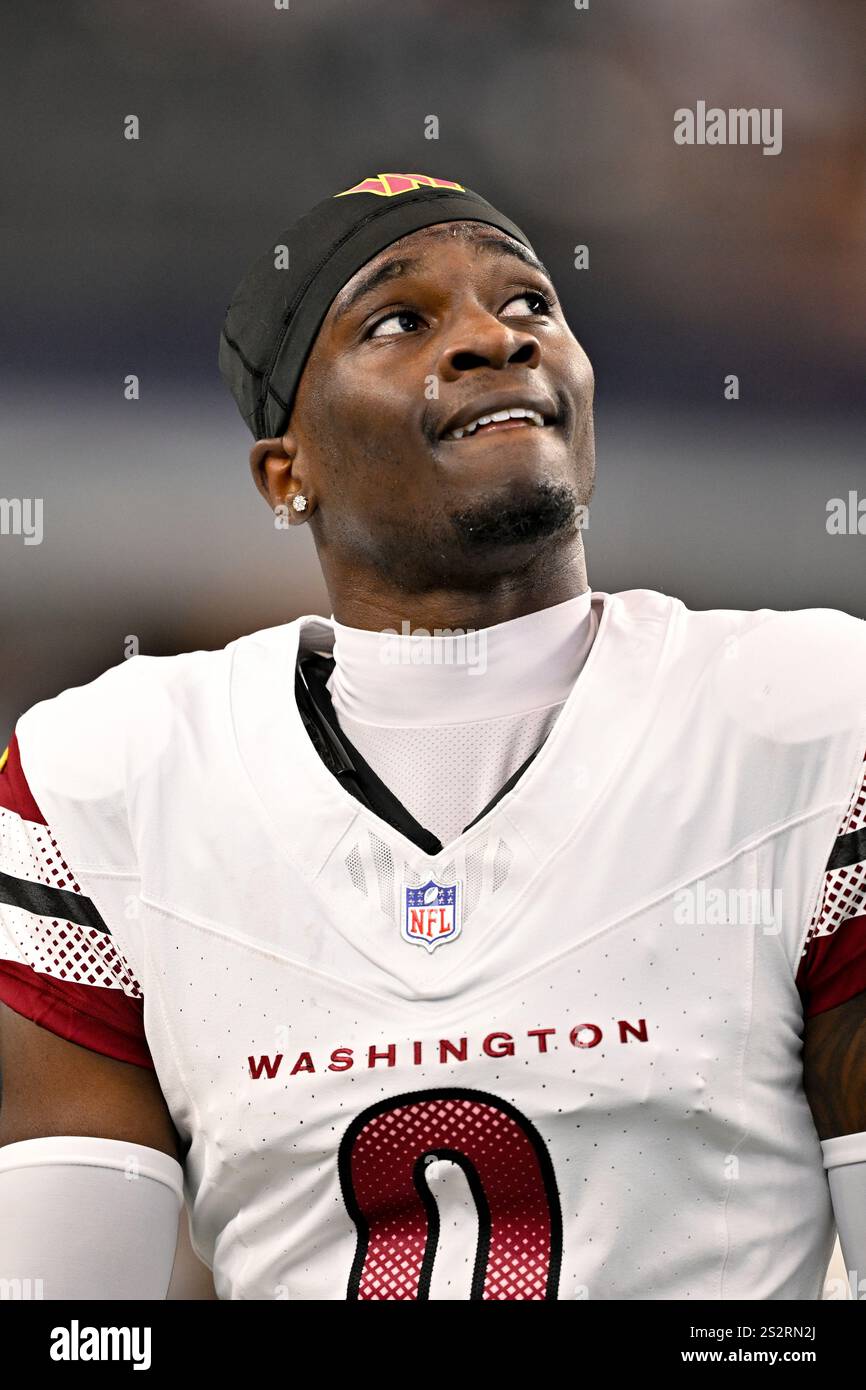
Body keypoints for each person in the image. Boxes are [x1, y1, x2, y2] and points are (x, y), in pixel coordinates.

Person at [1, 171, 865, 1301]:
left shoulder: (811, 716)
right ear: (285, 472)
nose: (490, 341)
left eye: (529, 307)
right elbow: (75, 1328)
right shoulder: (101, 778)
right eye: (399, 320)